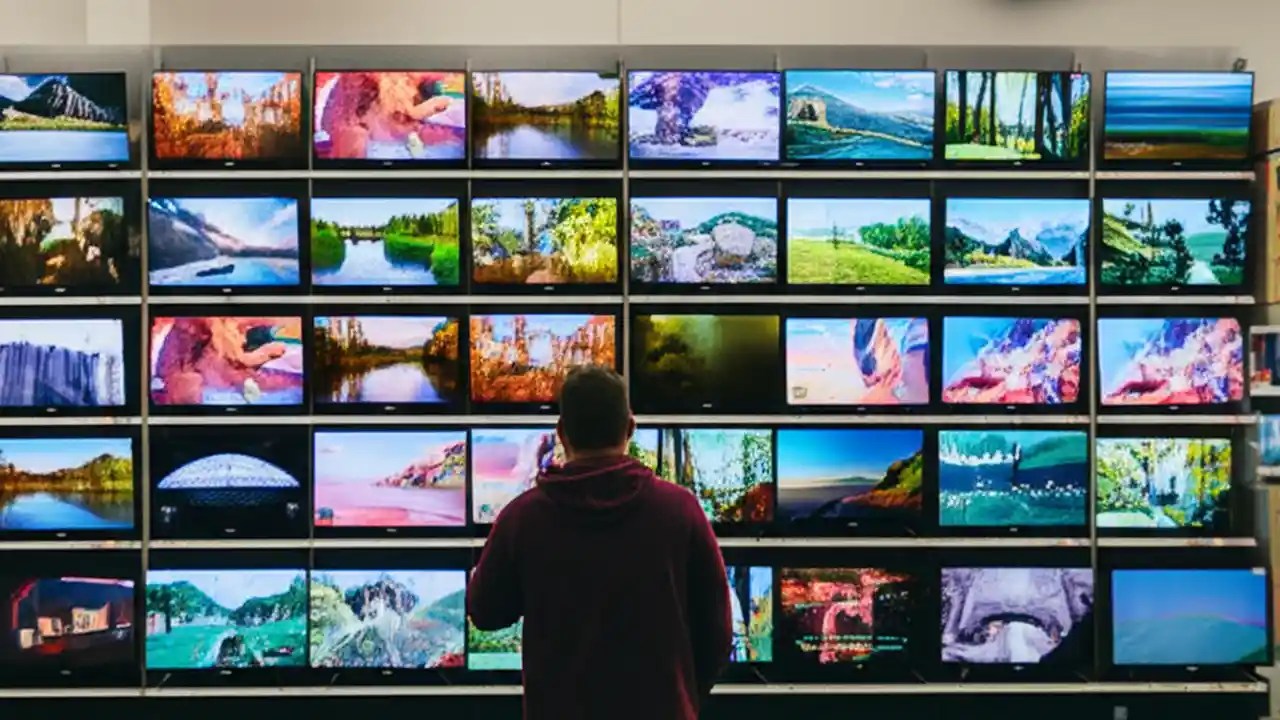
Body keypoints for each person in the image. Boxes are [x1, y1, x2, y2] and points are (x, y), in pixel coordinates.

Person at [469, 366, 732, 720]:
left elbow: (484, 612)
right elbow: (718, 633)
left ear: (561, 433)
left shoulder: (522, 518)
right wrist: (683, 697)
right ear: (630, 428)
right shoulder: (681, 509)